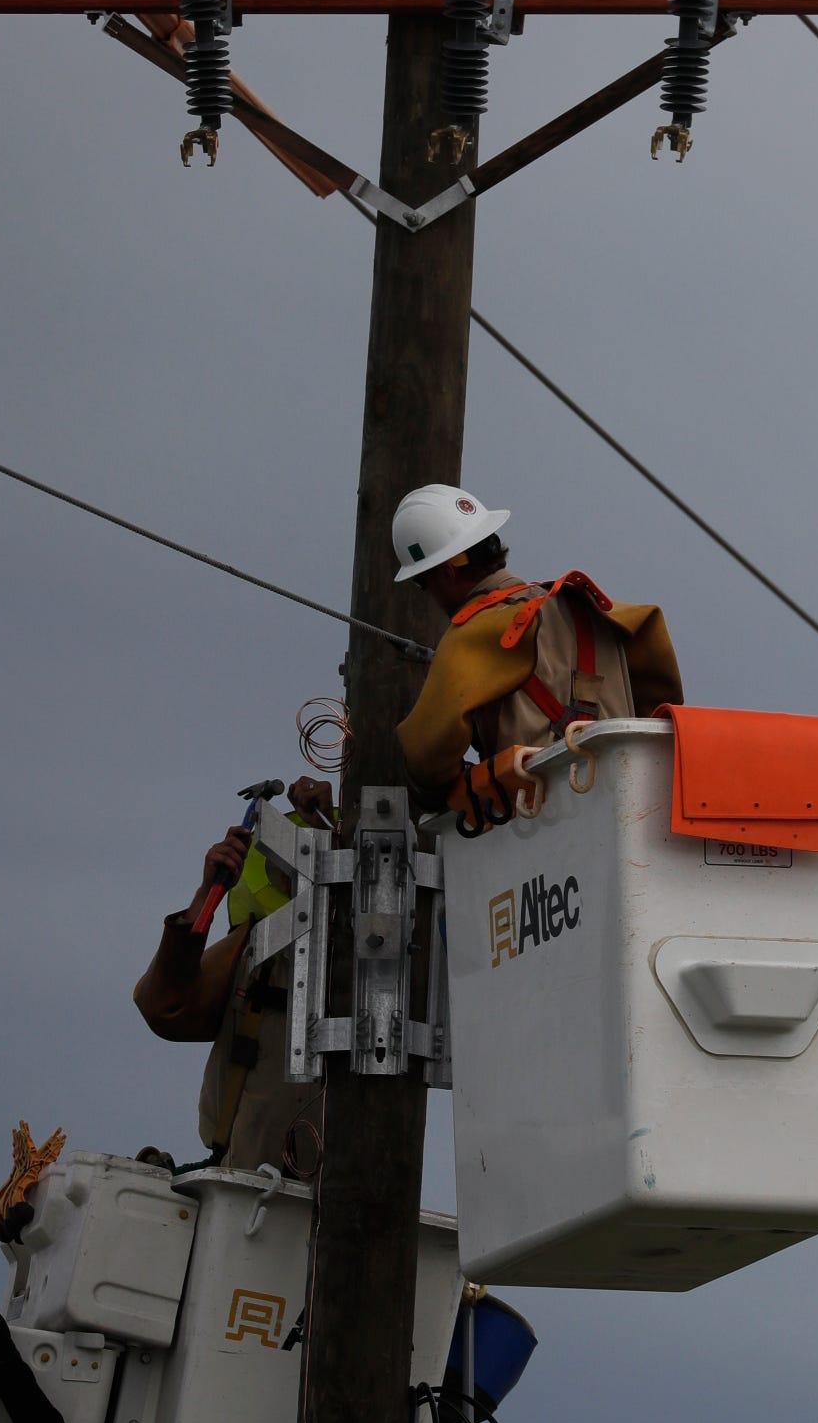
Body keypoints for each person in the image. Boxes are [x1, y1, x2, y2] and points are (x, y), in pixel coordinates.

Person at [392, 483, 681, 813]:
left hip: (537, 832)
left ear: (445, 572)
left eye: (422, 582)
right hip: (629, 810)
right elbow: (659, 710)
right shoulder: (600, 613)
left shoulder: (474, 633)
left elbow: (427, 754)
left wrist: (444, 790)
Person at [131, 775, 335, 1172]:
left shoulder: (374, 966)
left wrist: (326, 826)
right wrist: (207, 893)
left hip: (335, 1190)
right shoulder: (252, 956)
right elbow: (162, 1007)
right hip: (241, 1180)